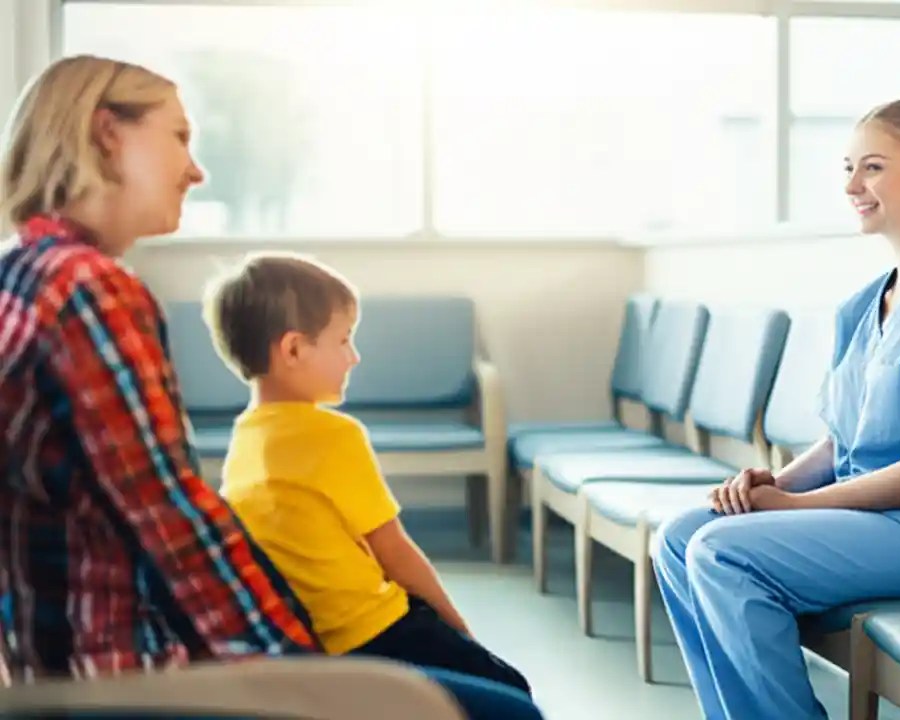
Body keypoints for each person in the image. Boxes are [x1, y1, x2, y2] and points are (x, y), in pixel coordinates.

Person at [0, 54, 542, 720]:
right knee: (507, 712)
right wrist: (300, 674)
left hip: (48, 662)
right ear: (108, 134)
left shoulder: (19, 273)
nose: (195, 170)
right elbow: (175, 528)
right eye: (179, 137)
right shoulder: (90, 290)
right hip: (122, 669)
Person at [652, 98, 900, 720]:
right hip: (874, 522)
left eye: (874, 168)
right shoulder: (864, 304)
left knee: (724, 554)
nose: (854, 186)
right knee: (678, 539)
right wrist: (770, 485)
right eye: (849, 168)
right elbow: (840, 444)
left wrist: (797, 507)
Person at [205, 252, 533, 698]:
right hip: (379, 631)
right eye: (343, 341)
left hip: (319, 647)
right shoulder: (334, 435)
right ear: (294, 349)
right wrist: (460, 631)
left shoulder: (243, 441)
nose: (354, 357)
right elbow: (395, 554)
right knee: (513, 691)